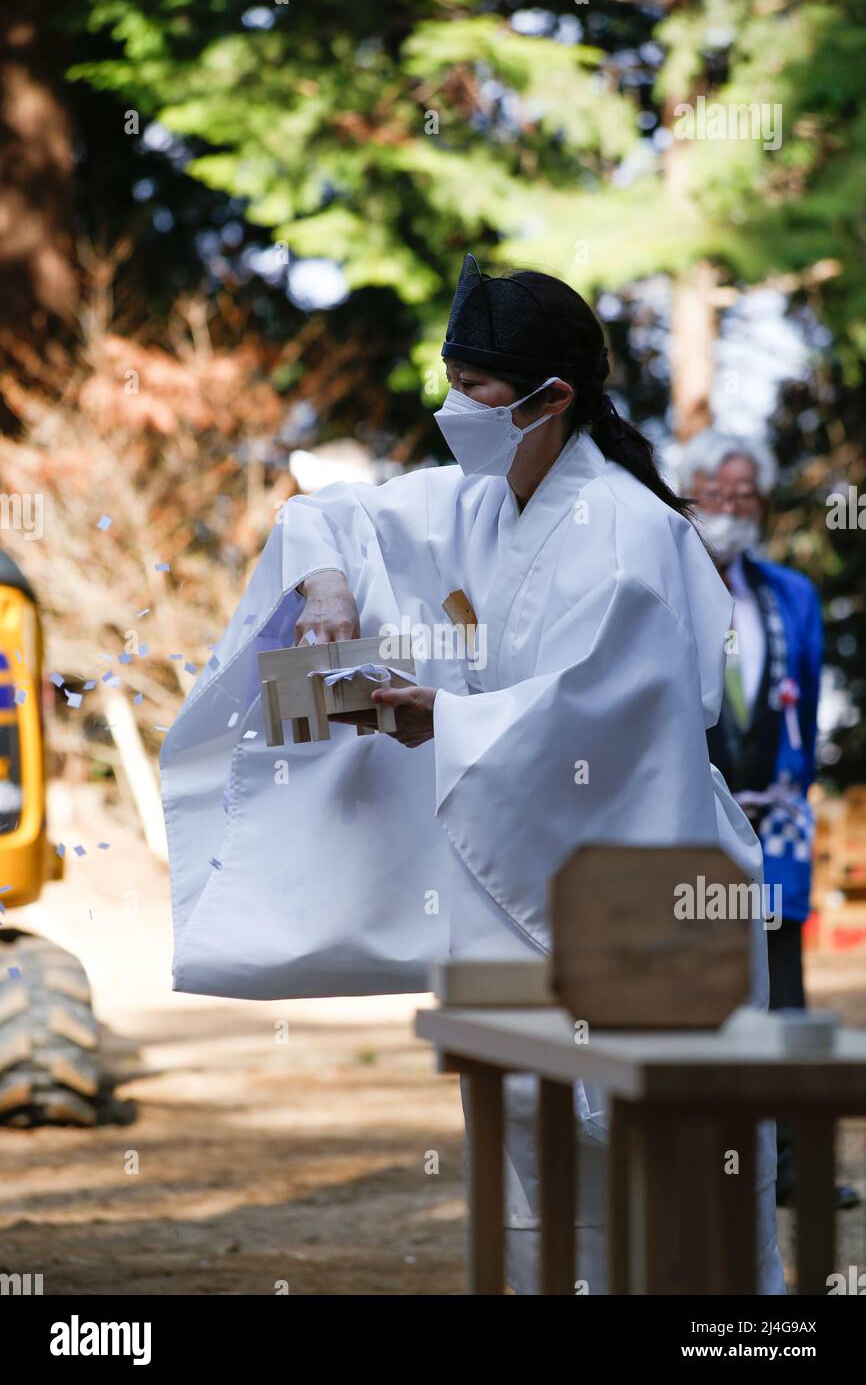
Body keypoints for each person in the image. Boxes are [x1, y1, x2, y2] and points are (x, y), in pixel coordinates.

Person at [161, 254, 785, 1293]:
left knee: (680, 1222)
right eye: (447, 377)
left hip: (644, 910)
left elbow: (606, 729)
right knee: (539, 1215)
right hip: (516, 920)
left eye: (475, 387)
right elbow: (338, 512)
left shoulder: (630, 533)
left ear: (553, 399)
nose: (452, 407)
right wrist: (326, 595)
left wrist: (442, 718)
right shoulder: (482, 500)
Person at [677, 429, 859, 1210]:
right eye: (715, 491)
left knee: (783, 992)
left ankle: (789, 1168)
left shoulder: (790, 595)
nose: (730, 504)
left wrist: (792, 785)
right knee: (689, 990)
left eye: (744, 492)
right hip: (684, 817)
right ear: (687, 495)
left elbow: (807, 708)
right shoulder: (662, 584)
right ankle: (698, 1162)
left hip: (772, 822)